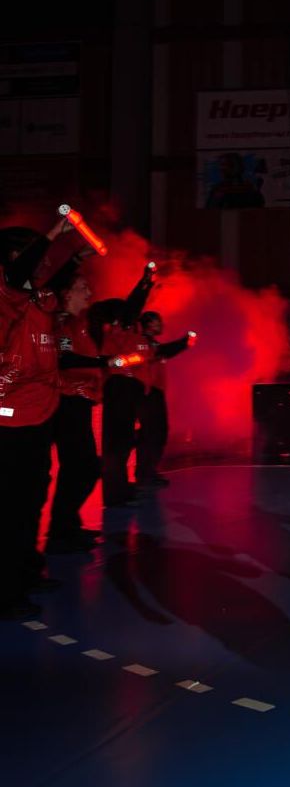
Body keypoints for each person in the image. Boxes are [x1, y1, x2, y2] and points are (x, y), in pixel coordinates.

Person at [0, 218, 82, 619]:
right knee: (10, 508)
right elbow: (19, 272)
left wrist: (75, 252)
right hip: (8, 420)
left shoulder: (39, 299)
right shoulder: (6, 294)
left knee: (32, 501)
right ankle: (6, 592)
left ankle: (26, 574)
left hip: (39, 414)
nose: (40, 263)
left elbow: (53, 276)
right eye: (31, 253)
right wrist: (54, 232)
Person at [46, 274, 110, 553]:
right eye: (83, 286)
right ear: (66, 293)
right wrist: (102, 361)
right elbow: (64, 358)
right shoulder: (60, 323)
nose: (90, 290)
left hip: (80, 403)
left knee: (79, 468)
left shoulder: (79, 325)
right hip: (66, 402)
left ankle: (66, 527)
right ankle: (60, 532)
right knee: (83, 467)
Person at [98, 264, 156, 506]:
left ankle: (121, 490)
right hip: (118, 388)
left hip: (127, 389)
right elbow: (132, 307)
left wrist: (146, 283)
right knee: (116, 445)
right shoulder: (113, 331)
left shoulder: (127, 332)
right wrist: (144, 283)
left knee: (122, 444)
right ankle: (115, 494)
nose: (133, 318)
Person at [134, 311, 193, 489]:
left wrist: (184, 344)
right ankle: (145, 474)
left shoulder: (151, 343)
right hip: (149, 393)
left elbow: (163, 352)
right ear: (149, 324)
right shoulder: (143, 342)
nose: (161, 324)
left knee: (155, 434)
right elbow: (162, 351)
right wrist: (183, 342)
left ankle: (148, 472)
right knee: (153, 433)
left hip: (153, 392)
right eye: (158, 321)